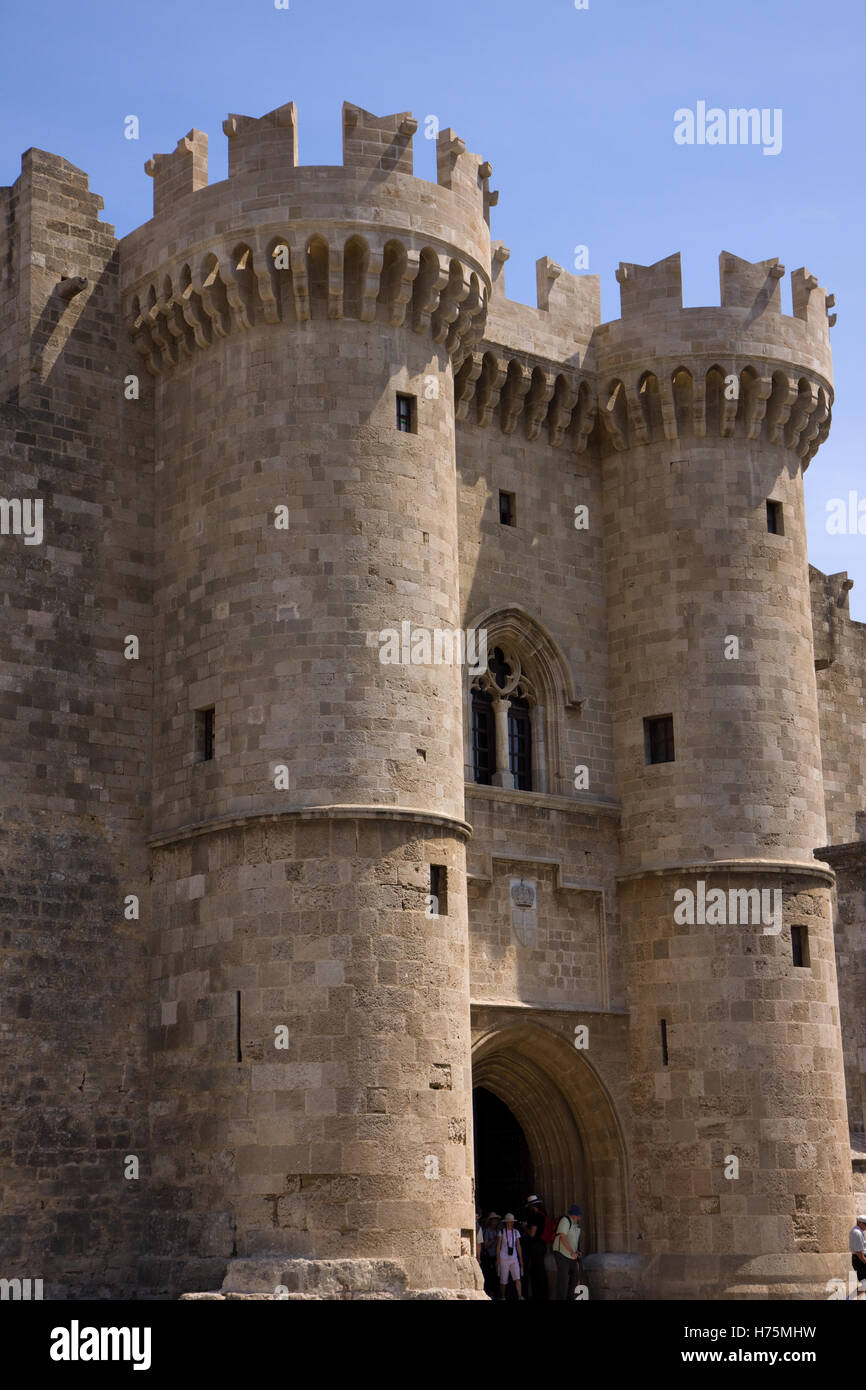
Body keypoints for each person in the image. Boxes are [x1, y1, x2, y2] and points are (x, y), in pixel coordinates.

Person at [552, 1204, 583, 1300]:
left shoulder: (575, 1224)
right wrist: (572, 1252)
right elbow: (563, 1237)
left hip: (571, 1255)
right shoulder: (565, 1220)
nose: (580, 1218)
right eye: (579, 1215)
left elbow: (572, 1240)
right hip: (562, 1254)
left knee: (575, 1278)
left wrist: (576, 1251)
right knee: (564, 1279)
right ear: (575, 1215)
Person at [523, 1194, 549, 1300]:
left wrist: (524, 1228)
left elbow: (532, 1233)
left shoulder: (535, 1216)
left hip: (536, 1247)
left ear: (532, 1206)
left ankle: (538, 1295)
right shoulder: (543, 1215)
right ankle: (544, 1294)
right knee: (541, 1270)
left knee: (536, 1271)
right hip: (542, 1245)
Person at [496, 1212, 524, 1300]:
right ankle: (502, 1297)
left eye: (512, 1222)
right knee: (503, 1280)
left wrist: (521, 1259)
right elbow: (498, 1246)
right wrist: (497, 1259)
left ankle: (520, 1296)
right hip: (503, 1258)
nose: (510, 1223)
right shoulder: (502, 1232)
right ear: (506, 1222)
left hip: (514, 1258)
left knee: (517, 1278)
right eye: (509, 1222)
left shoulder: (516, 1232)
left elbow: (518, 1246)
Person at [477, 1212, 500, 1295]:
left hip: (496, 1257)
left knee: (496, 1276)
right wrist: (494, 1239)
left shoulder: (498, 1231)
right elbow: (485, 1246)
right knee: (489, 1276)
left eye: (496, 1221)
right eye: (493, 1221)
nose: (495, 1222)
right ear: (490, 1221)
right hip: (489, 1257)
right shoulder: (486, 1231)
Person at [850, 1214, 866, 1288]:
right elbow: (859, 1252)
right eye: (865, 1224)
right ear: (859, 1223)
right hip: (860, 1260)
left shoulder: (858, 1231)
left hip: (860, 1259)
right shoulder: (857, 1233)